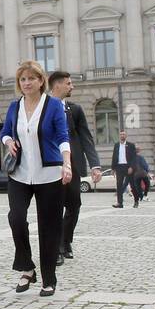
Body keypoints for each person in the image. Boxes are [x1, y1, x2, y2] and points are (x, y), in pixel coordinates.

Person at [0, 60, 72, 297]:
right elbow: (5, 132)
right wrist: (9, 141)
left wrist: (67, 163)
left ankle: (48, 278)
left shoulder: (53, 106)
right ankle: (27, 267)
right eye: (23, 79)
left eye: (31, 78)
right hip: (20, 174)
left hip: (49, 174)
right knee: (16, 218)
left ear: (41, 81)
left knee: (49, 228)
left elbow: (62, 136)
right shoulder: (14, 106)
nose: (26, 83)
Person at [49, 72, 100, 266]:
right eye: (69, 83)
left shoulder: (74, 110)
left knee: (73, 205)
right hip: (51, 165)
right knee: (52, 208)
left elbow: (86, 137)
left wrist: (95, 164)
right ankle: (57, 248)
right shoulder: (43, 107)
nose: (73, 87)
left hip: (74, 165)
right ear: (57, 85)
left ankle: (65, 240)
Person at [110, 129, 140, 208]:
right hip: (119, 167)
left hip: (128, 167)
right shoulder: (116, 145)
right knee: (119, 185)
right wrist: (113, 168)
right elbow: (114, 157)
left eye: (123, 134)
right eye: (121, 134)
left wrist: (131, 167)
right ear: (119, 136)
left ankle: (136, 201)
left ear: (126, 136)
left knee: (132, 185)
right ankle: (120, 203)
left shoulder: (131, 145)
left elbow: (134, 158)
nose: (122, 136)